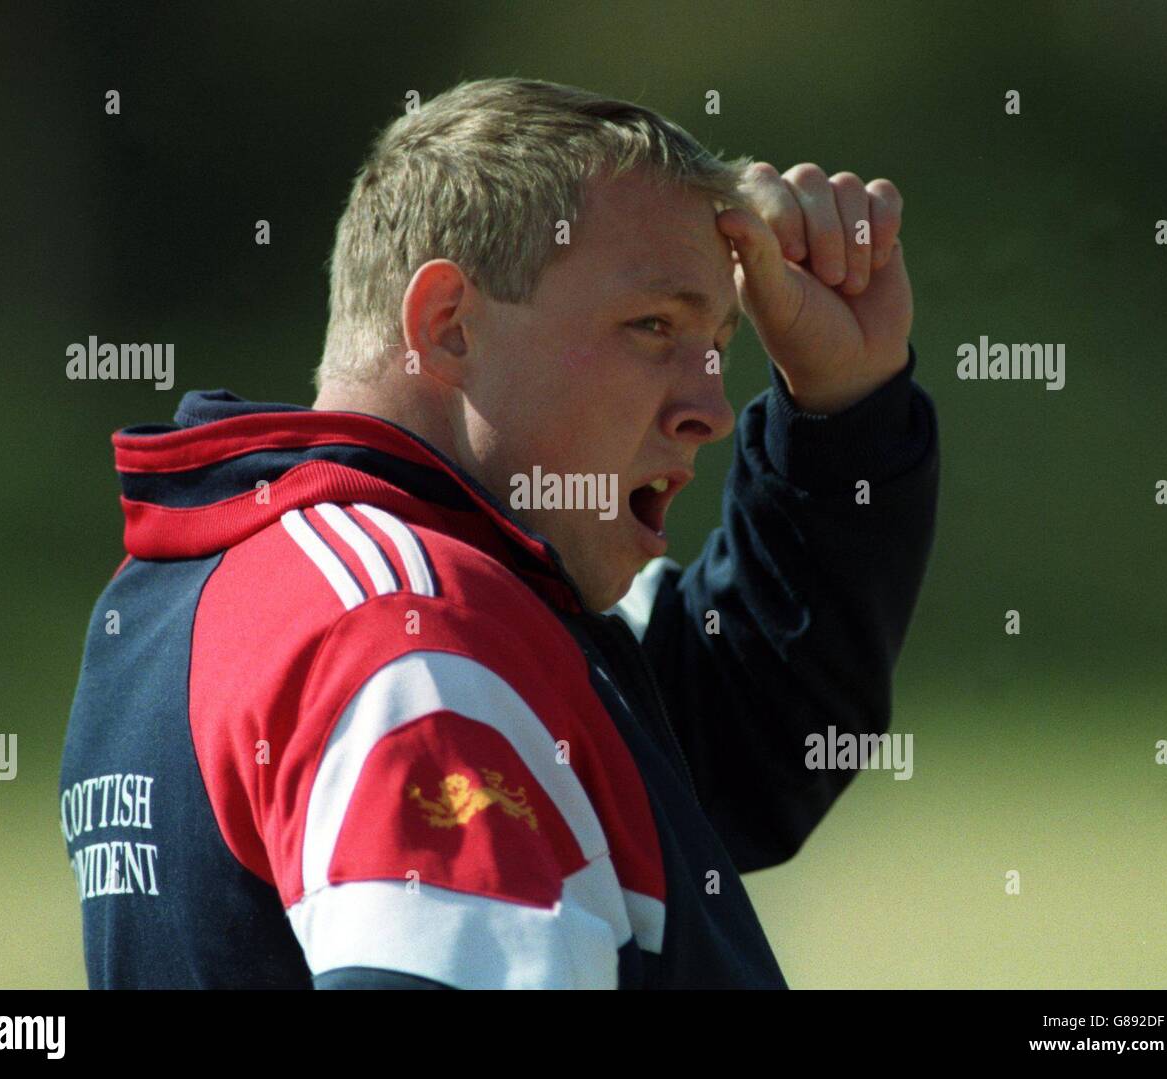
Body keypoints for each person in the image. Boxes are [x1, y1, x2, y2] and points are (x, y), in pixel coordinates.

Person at [60, 77, 939, 989]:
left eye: (719, 341)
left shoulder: (229, 582)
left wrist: (847, 414)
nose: (712, 409)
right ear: (447, 328)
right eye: (653, 326)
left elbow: (727, 754)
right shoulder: (408, 633)